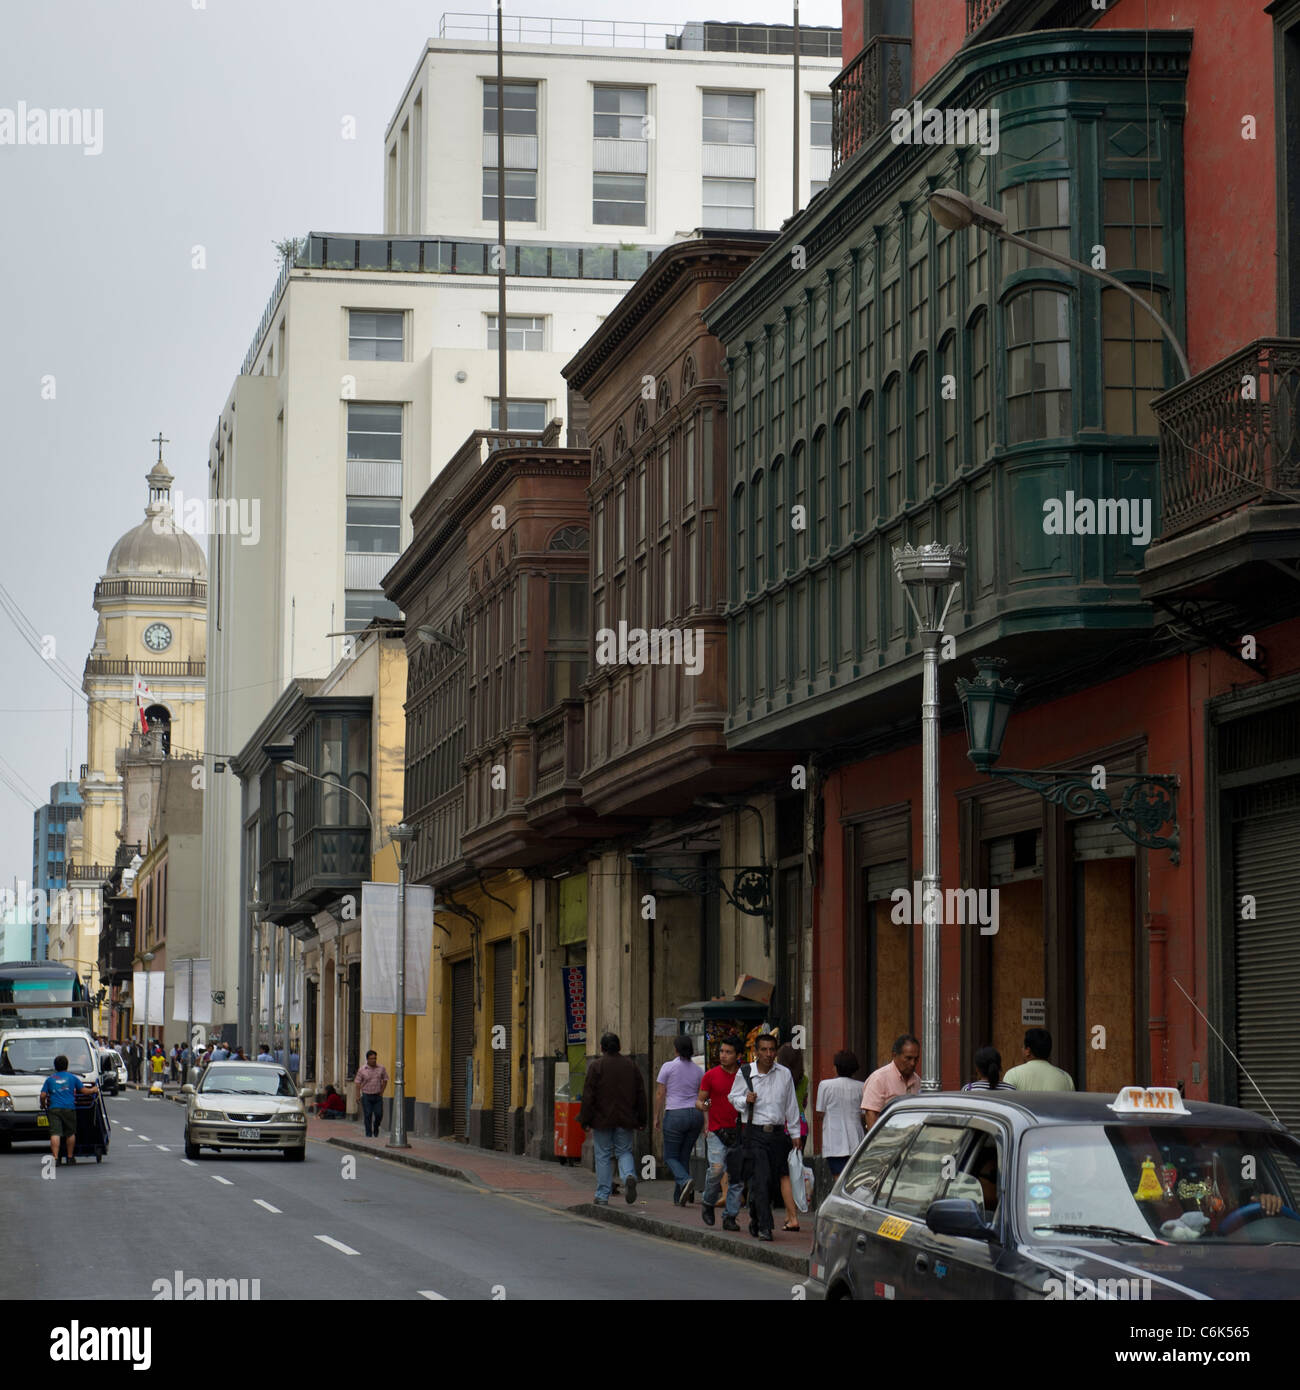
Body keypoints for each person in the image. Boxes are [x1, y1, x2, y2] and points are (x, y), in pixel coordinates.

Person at [728, 1034, 801, 1242]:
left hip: (777, 1134)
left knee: (770, 1183)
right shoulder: (745, 1073)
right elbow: (732, 1097)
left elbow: (791, 1104)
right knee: (761, 1178)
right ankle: (766, 1227)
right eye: (764, 1050)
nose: (769, 1054)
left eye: (772, 1050)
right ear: (757, 1052)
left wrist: (795, 1133)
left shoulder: (784, 1074)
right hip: (754, 1133)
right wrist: (745, 1099)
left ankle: (755, 1215)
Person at [578, 1032, 647, 1207]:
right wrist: (641, 1119)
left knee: (603, 1155)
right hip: (626, 1118)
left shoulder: (596, 1066)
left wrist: (584, 1120)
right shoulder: (631, 1066)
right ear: (619, 1047)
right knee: (624, 1151)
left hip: (602, 1119)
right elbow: (641, 1094)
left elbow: (588, 1096)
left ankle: (602, 1194)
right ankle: (628, 1175)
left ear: (601, 1048)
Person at [696, 1034, 744, 1230]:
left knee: (737, 1176)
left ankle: (730, 1216)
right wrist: (707, 1106)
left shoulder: (745, 1075)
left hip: (740, 1131)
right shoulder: (710, 1075)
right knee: (716, 1169)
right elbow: (701, 1100)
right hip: (716, 1130)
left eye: (728, 1052)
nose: (723, 1055)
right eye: (721, 1051)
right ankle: (708, 1202)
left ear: (738, 1055)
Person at [655, 1034, 704, 1206]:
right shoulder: (699, 1071)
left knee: (670, 1156)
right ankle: (679, 1198)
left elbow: (661, 1094)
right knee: (683, 1156)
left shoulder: (668, 1067)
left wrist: (656, 1117)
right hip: (695, 1115)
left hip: (675, 1114)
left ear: (676, 1049)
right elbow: (703, 1096)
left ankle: (684, 1180)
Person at [815, 1049, 865, 1178]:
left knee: (838, 1178)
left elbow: (820, 1112)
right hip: (856, 1139)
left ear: (836, 1067)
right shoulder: (862, 1086)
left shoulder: (825, 1085)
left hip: (834, 1139)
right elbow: (864, 1113)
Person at [775, 1043, 809, 1232]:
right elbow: (803, 1101)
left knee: (785, 1175)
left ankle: (793, 1217)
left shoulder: (780, 1078)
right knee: (795, 1168)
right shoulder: (804, 1079)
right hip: (802, 1126)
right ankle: (789, 1215)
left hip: (786, 1127)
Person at [40, 1054, 98, 1165]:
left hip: (54, 1109)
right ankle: (70, 1157)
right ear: (67, 1066)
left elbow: (43, 1095)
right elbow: (84, 1091)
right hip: (69, 1108)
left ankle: (56, 1158)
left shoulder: (50, 1079)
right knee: (70, 1133)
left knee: (55, 1133)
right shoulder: (72, 1078)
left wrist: (43, 1105)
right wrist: (94, 1090)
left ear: (55, 1066)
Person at [861, 1034, 921, 1129]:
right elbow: (871, 1114)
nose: (913, 1063)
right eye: (908, 1058)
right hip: (887, 1139)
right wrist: (877, 1142)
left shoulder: (917, 1080)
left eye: (916, 1059)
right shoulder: (879, 1078)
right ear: (894, 1055)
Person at [1002, 1028, 1074, 1092]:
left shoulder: (1013, 1074)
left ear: (1028, 1051)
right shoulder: (1065, 1078)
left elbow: (1006, 1104)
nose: (1022, 1049)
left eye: (1023, 1047)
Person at [354, 1049, 389, 1138]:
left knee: (379, 1114)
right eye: (371, 1059)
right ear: (367, 1059)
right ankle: (368, 1134)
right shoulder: (362, 1070)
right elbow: (357, 1083)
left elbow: (385, 1079)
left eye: (375, 1058)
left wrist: (382, 1092)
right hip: (366, 1096)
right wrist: (358, 1095)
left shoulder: (381, 1068)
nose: (373, 1060)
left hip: (377, 1096)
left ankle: (376, 1127)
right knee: (368, 1114)